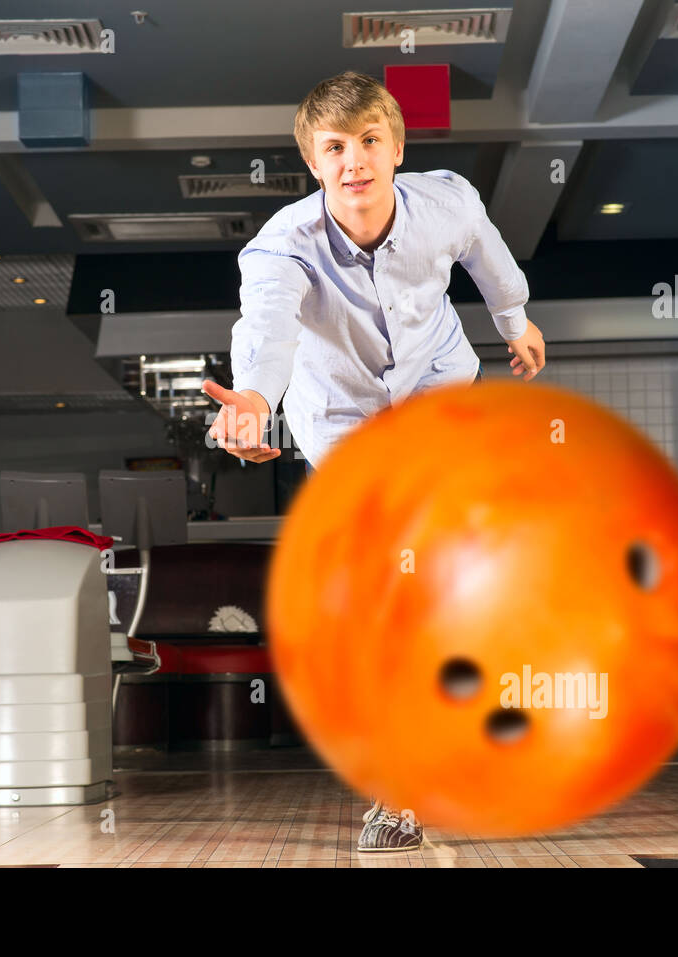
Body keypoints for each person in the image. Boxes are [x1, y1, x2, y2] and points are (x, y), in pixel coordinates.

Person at [203, 71, 546, 852]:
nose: (353, 160)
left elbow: (486, 251)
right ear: (314, 164)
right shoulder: (281, 246)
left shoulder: (446, 202)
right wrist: (253, 398)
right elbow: (267, 329)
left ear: (396, 147)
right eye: (334, 148)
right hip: (344, 420)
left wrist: (515, 319)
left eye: (367, 140)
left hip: (434, 388)